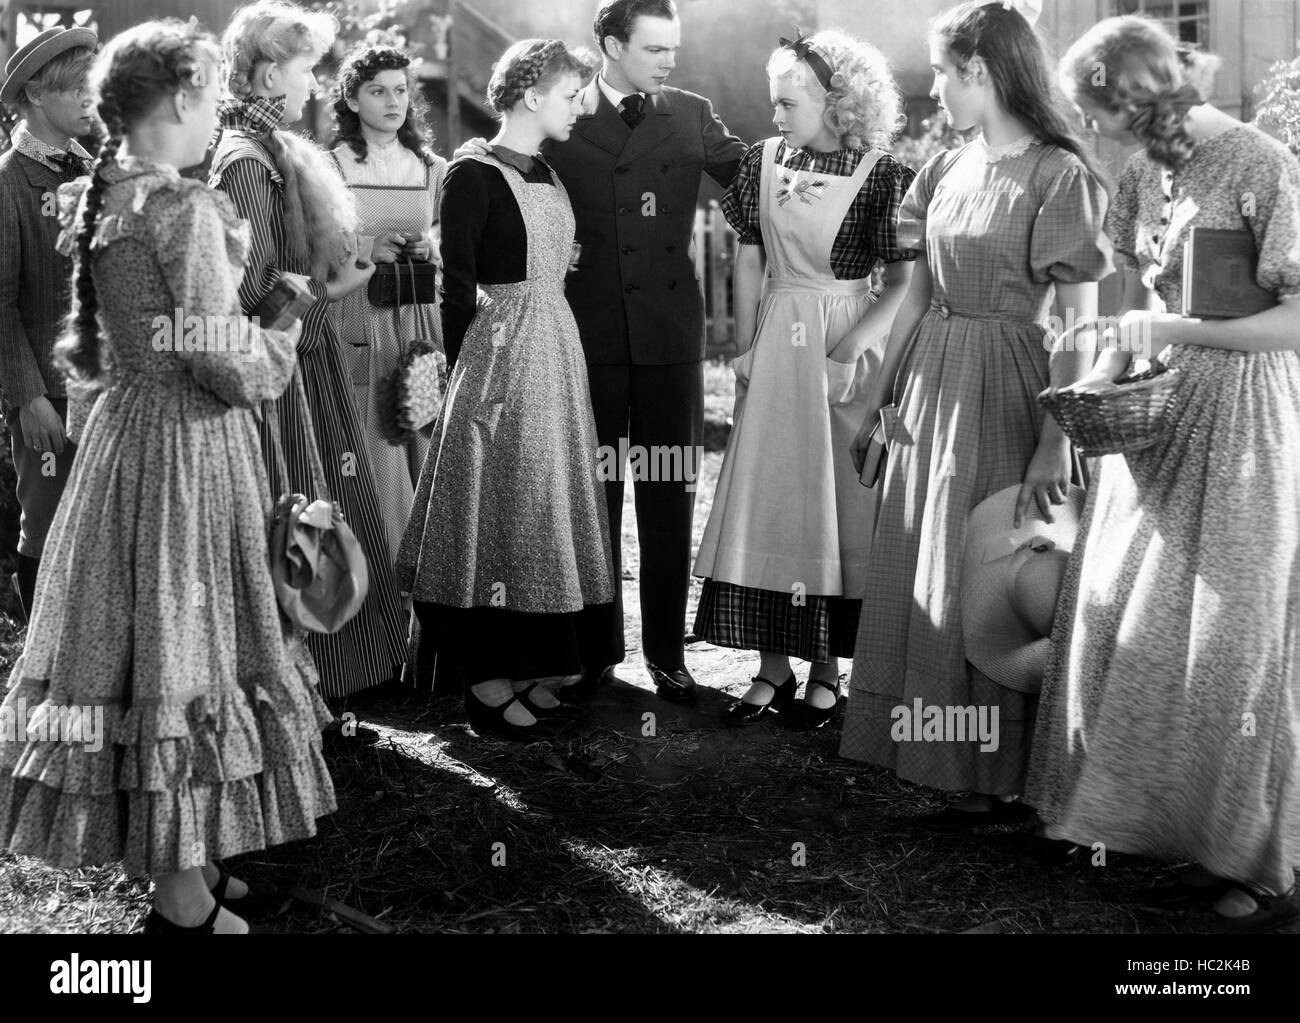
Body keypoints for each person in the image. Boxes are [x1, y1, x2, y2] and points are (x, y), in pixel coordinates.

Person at [0, 18, 335, 934]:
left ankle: (197, 863)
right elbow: (220, 358)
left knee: (154, 650)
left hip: (126, 438)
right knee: (180, 658)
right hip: (185, 449)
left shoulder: (104, 195)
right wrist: (279, 342)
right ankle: (180, 898)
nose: (213, 113)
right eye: (211, 94)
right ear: (184, 99)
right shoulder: (180, 207)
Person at [1025, 16, 1300, 931]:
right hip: (1160, 408)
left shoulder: (1260, 162)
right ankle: (1151, 822)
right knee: (1125, 612)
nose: (1093, 133)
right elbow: (1150, 292)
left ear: (1136, 98)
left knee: (1232, 634)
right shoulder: (1144, 175)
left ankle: (1257, 859)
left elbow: (1295, 319)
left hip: (1245, 415)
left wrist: (1178, 334)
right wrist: (1105, 369)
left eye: (1099, 114)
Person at [838, 0, 1112, 824]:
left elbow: (1080, 321)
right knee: (924, 558)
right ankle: (929, 750)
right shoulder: (944, 169)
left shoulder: (1060, 174)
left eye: (941, 74)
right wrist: (880, 405)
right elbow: (917, 293)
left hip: (1010, 384)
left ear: (981, 72)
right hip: (931, 386)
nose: (934, 90)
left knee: (985, 565)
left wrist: (1051, 439)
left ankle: (1000, 770)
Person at [455, 0, 747, 703]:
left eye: (673, 48)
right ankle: (594, 650)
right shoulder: (565, 116)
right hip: (584, 336)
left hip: (669, 336)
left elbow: (753, 184)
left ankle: (669, 653)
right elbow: (507, 186)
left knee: (670, 492)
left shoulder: (691, 111)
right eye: (654, 49)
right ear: (611, 45)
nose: (669, 62)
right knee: (592, 495)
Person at [692, 29, 915, 730]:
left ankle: (826, 669)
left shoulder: (883, 173)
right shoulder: (761, 162)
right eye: (774, 103)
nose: (777, 116)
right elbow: (752, 258)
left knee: (835, 507)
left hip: (840, 345)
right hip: (777, 342)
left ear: (839, 103)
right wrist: (753, 342)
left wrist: (849, 351)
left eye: (790, 103)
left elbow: (903, 283)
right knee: (773, 497)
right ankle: (772, 666)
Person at [396, 39, 614, 742]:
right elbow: (455, 286)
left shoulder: (546, 169)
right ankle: (486, 679)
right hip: (501, 352)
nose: (580, 105)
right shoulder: (471, 172)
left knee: (541, 503)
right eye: (570, 93)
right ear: (529, 96)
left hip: (555, 344)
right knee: (499, 507)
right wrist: (470, 378)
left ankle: (529, 665)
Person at [210, 0, 409, 710]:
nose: (315, 86)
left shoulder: (275, 151)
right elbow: (255, 293)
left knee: (321, 510)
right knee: (297, 516)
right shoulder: (244, 163)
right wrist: (318, 295)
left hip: (304, 356)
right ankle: (304, 688)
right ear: (268, 75)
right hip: (280, 369)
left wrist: (329, 283)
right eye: (305, 71)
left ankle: (340, 672)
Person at [329, 44, 447, 563]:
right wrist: (365, 248)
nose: (392, 101)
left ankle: (423, 578)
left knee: (423, 432)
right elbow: (315, 248)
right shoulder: (330, 166)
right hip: (358, 316)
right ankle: (376, 568)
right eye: (377, 91)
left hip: (418, 320)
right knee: (374, 443)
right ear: (353, 101)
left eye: (400, 90)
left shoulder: (432, 168)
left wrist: (429, 247)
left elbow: (450, 245)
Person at [0, 26, 97, 621]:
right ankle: (42, 670)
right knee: (48, 527)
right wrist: (27, 395)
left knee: (99, 533)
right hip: (50, 395)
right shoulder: (10, 181)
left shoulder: (100, 169)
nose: (94, 99)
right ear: (37, 95)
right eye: (80, 88)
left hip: (108, 386)